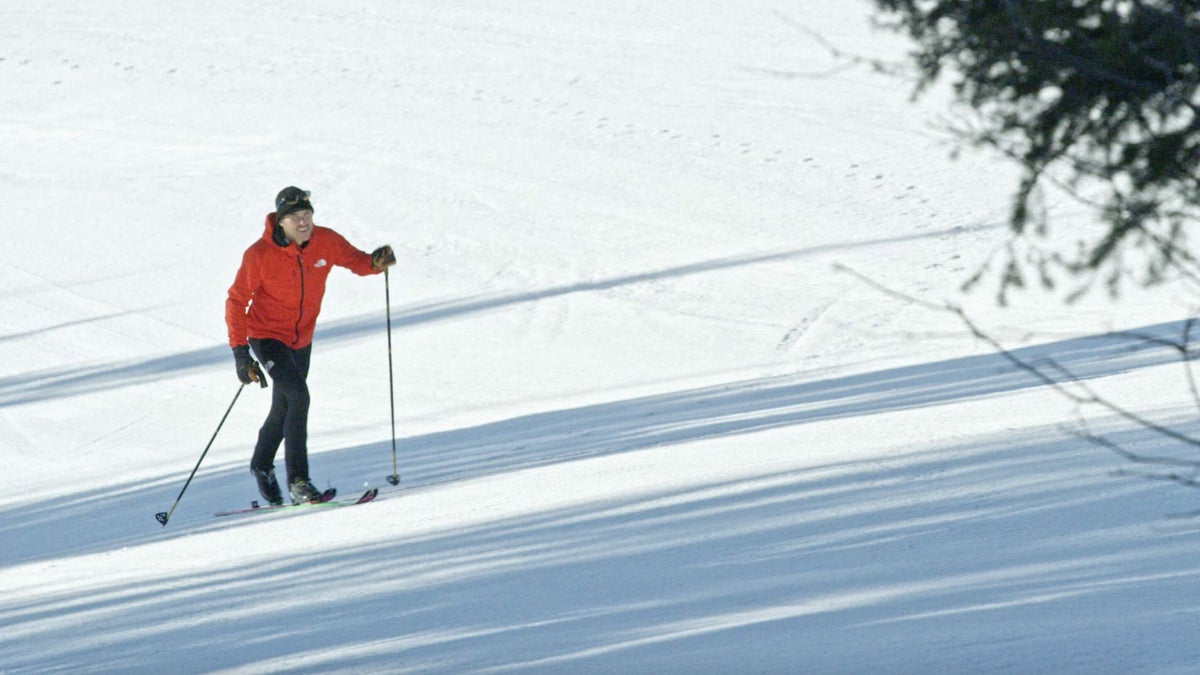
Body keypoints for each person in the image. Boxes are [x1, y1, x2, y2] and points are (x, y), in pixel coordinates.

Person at [226, 186, 396, 505]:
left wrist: (376, 262)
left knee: (285, 405)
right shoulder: (259, 255)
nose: (302, 223)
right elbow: (236, 301)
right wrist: (240, 353)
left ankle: (261, 465)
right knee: (299, 397)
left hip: (301, 337)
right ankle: (299, 481)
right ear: (280, 222)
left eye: (306, 215)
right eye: (294, 217)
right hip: (266, 336)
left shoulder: (326, 241)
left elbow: (356, 261)